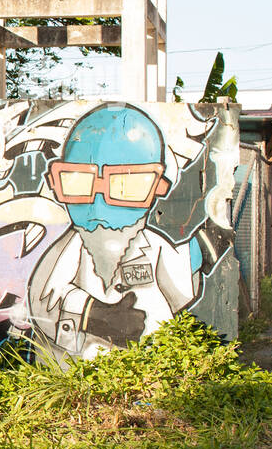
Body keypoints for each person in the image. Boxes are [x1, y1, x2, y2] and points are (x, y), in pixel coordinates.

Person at [27, 103, 228, 360]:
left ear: (158, 187)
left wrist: (210, 240)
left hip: (146, 370)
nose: (100, 203)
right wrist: (95, 315)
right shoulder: (71, 247)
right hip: (77, 367)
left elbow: (180, 277)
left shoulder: (151, 246)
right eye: (78, 182)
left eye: (126, 186)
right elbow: (44, 296)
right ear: (56, 182)